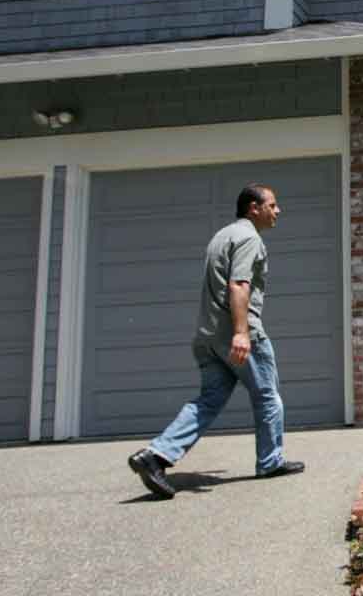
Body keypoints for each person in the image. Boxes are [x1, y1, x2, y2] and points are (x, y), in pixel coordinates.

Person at [127, 184, 304, 499]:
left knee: (208, 401)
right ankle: (270, 461)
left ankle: (155, 457)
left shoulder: (222, 235)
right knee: (268, 396)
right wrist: (241, 332)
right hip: (237, 333)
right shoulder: (250, 238)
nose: (278, 211)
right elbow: (238, 285)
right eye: (272, 205)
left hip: (207, 337)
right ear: (253, 207)